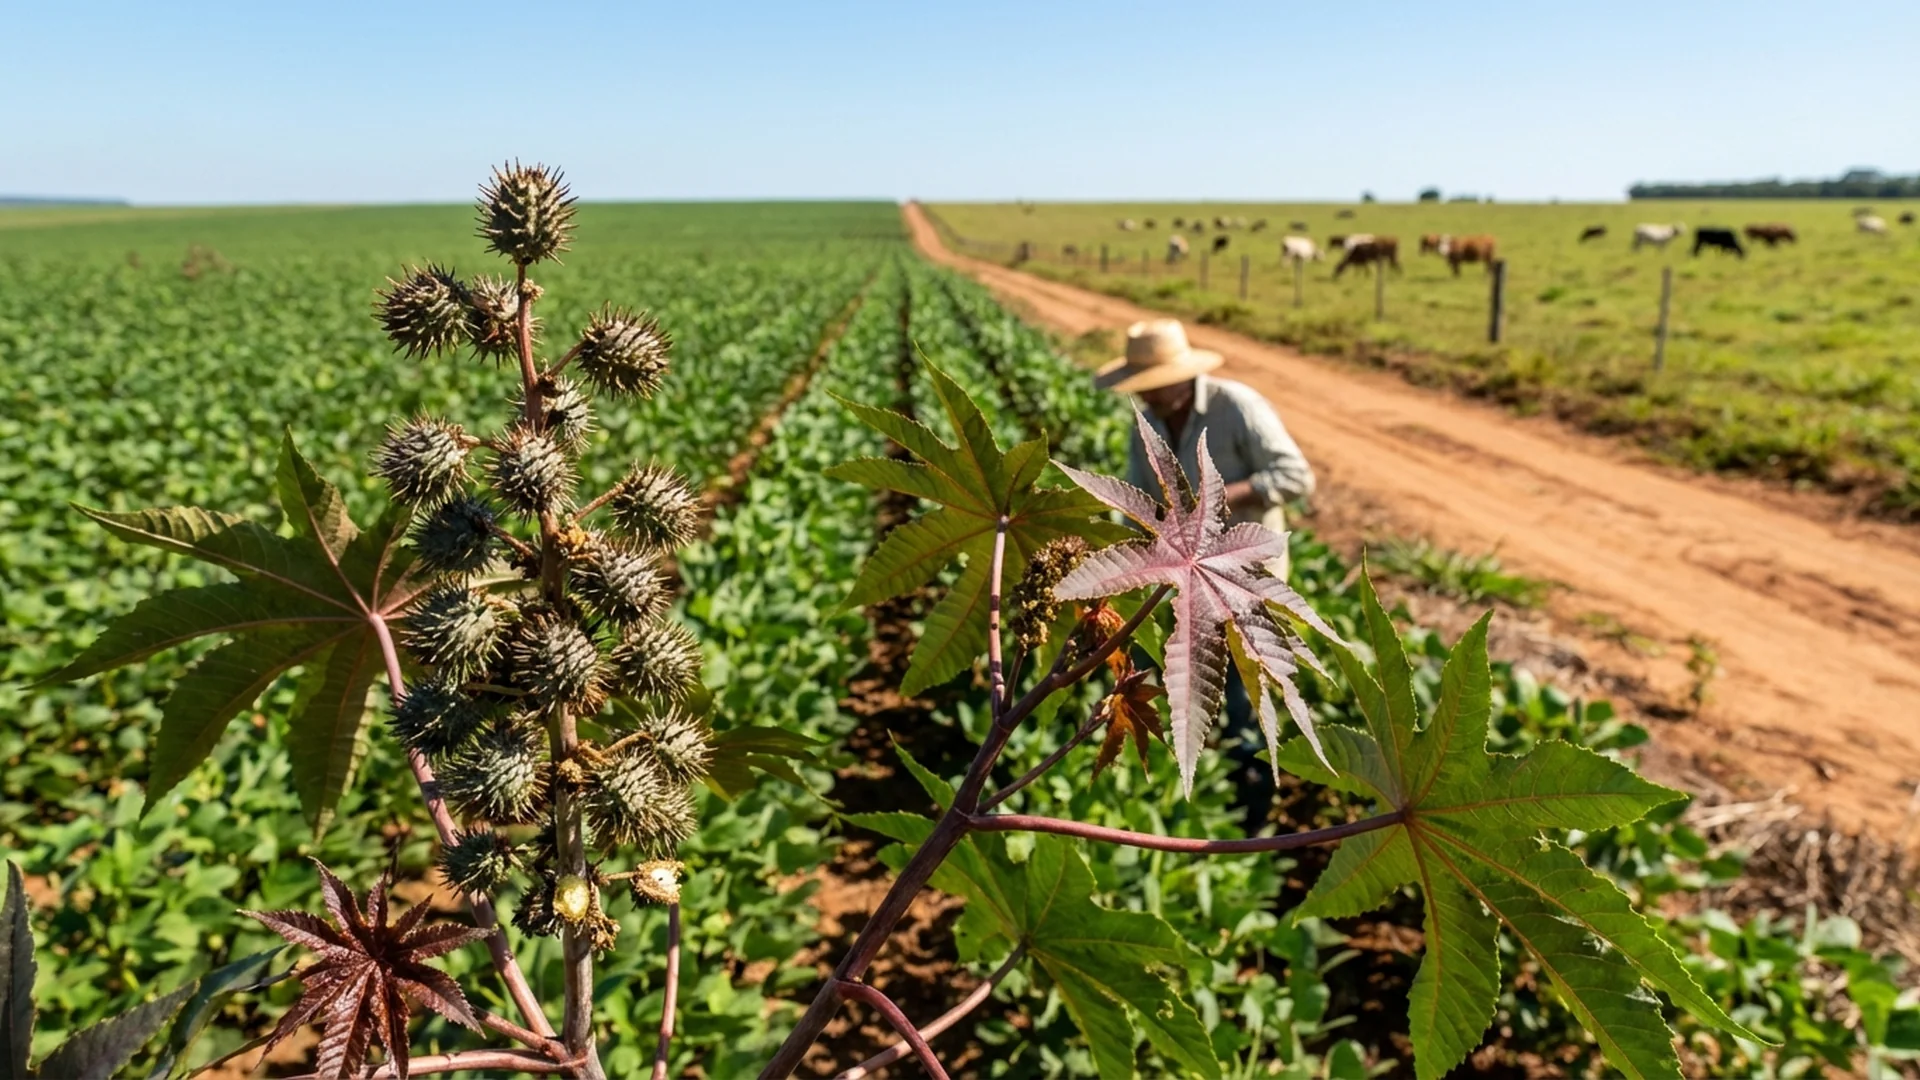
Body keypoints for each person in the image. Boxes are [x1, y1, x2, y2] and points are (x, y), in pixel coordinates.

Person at [1095, 318, 1315, 828]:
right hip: (1181, 584)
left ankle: (1252, 809)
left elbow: (1295, 475)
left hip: (1245, 579)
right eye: (1141, 390)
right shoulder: (1146, 423)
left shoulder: (1235, 406)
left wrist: (1219, 501)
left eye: (1154, 386)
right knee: (1183, 684)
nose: (1148, 398)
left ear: (1182, 374)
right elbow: (1139, 496)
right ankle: (1193, 791)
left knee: (1245, 693)